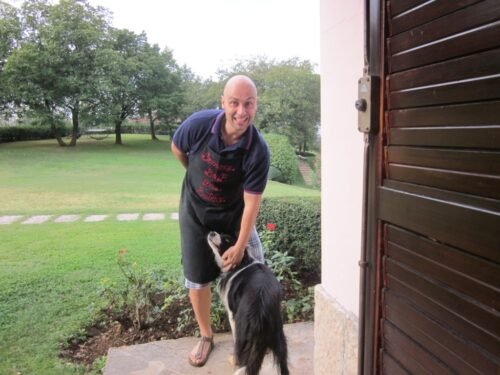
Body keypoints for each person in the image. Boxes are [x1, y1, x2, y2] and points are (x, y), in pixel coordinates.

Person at [171, 75, 270, 367]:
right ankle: (205, 336)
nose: (242, 111)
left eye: (248, 104)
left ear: (256, 105)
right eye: (235, 103)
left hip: (233, 212)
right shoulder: (199, 125)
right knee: (197, 278)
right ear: (223, 102)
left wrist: (240, 245)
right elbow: (178, 149)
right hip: (195, 211)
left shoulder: (257, 150)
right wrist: (198, 178)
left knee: (259, 274)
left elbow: (252, 202)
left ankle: (251, 338)